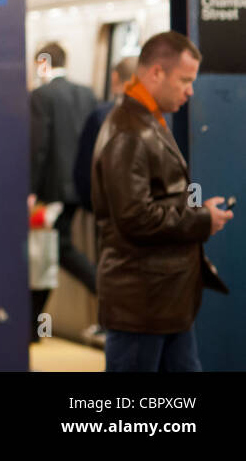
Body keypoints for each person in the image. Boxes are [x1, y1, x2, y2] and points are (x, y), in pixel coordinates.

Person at [93, 31, 231, 372]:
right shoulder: (129, 133)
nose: (190, 91)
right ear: (156, 73)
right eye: (184, 80)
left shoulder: (147, 122)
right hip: (143, 303)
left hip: (164, 298)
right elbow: (135, 216)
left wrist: (199, 213)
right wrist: (201, 219)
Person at [28, 42, 98, 330]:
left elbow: (39, 146)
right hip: (83, 188)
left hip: (53, 192)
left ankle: (106, 291)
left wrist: (30, 189)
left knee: (58, 249)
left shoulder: (41, 96)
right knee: (50, 251)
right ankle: (31, 326)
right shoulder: (87, 94)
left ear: (43, 63)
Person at [73, 56, 139, 215]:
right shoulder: (159, 117)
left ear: (115, 77)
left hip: (107, 211)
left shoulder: (101, 116)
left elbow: (84, 171)